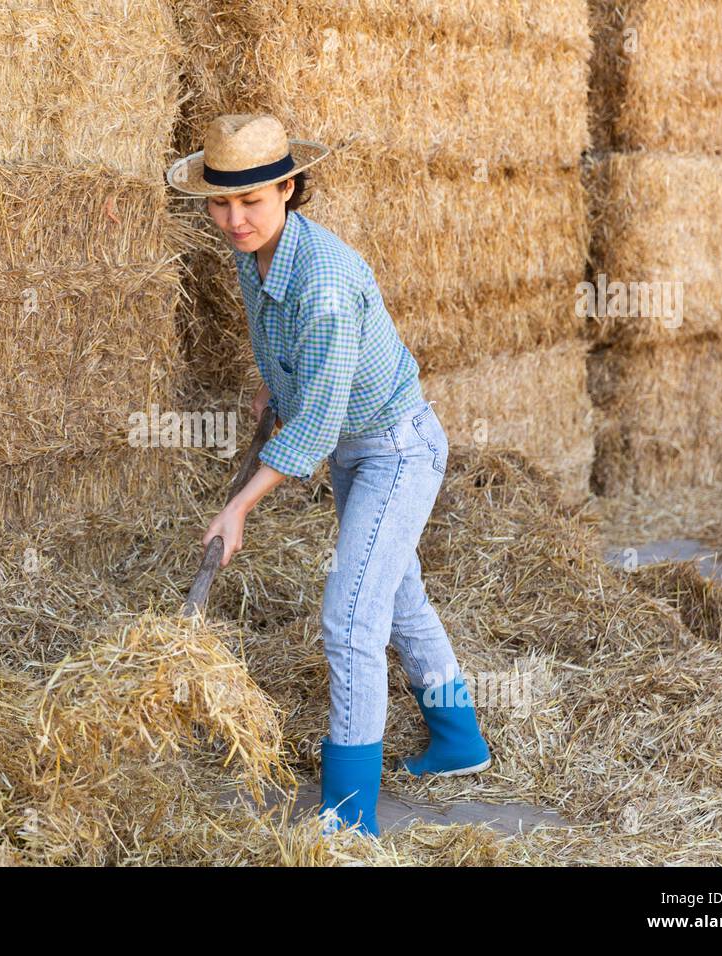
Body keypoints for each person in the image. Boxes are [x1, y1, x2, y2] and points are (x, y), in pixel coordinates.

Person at [165, 114, 491, 837]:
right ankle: (460, 739)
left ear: (288, 186)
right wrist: (275, 384)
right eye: (220, 202)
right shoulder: (255, 256)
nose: (235, 218)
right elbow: (298, 373)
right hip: (354, 446)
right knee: (397, 592)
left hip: (395, 449)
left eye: (252, 200)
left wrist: (240, 507)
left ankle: (348, 820)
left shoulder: (326, 281)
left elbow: (315, 424)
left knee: (349, 622)